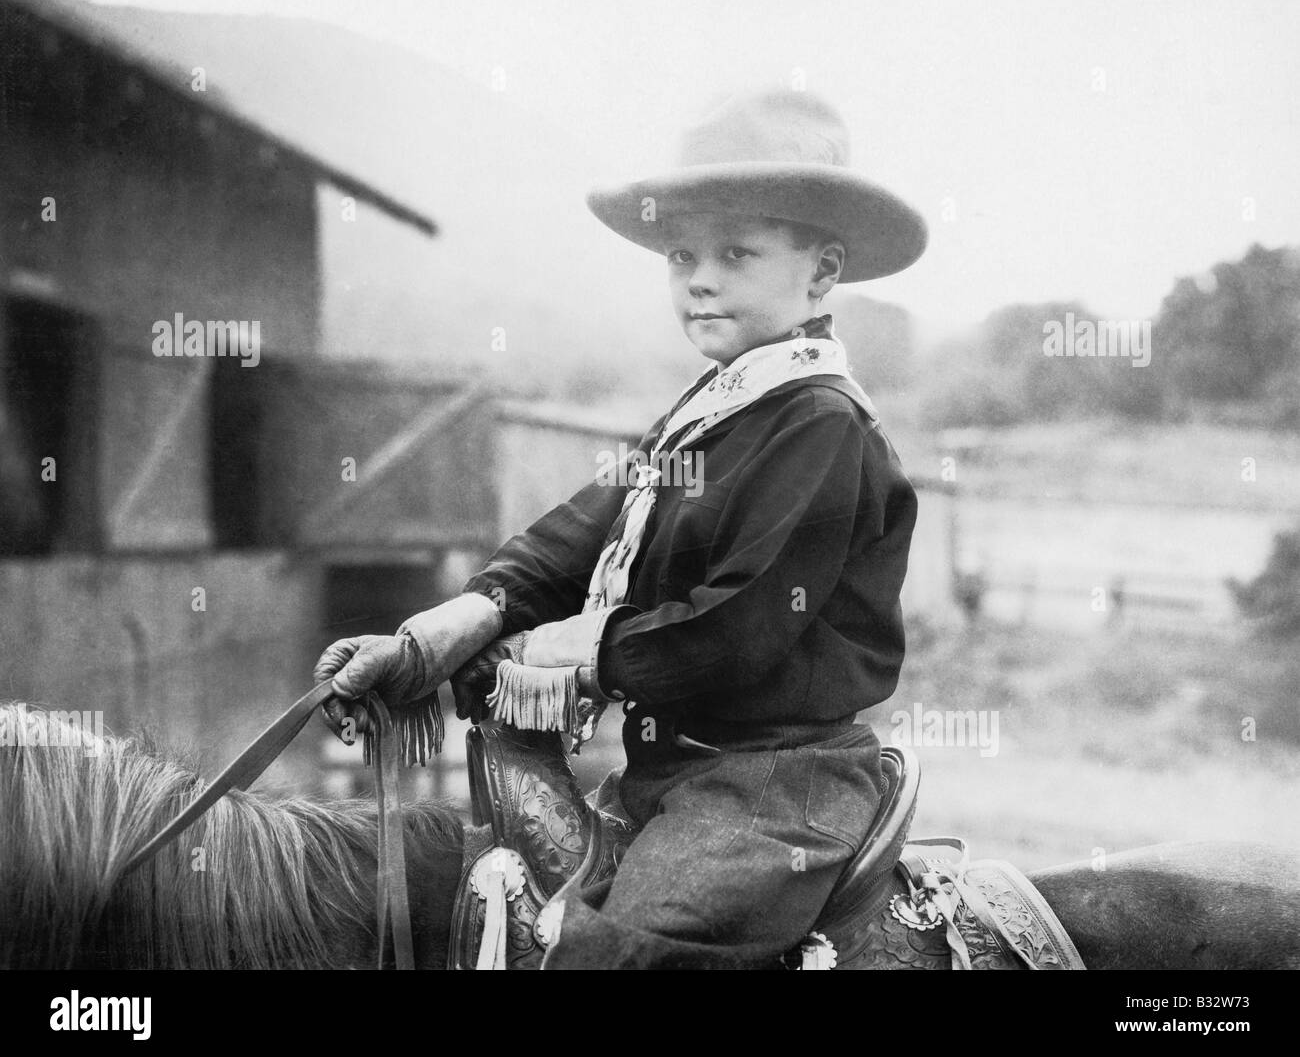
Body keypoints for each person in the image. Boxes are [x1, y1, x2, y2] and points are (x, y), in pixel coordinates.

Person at [313, 87, 924, 969]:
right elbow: (586, 530)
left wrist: (569, 649)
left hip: (776, 786)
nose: (699, 277)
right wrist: (451, 627)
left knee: (614, 958)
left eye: (735, 253)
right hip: (672, 771)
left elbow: (735, 634)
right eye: (682, 254)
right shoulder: (715, 409)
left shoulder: (821, 425)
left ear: (821, 273)